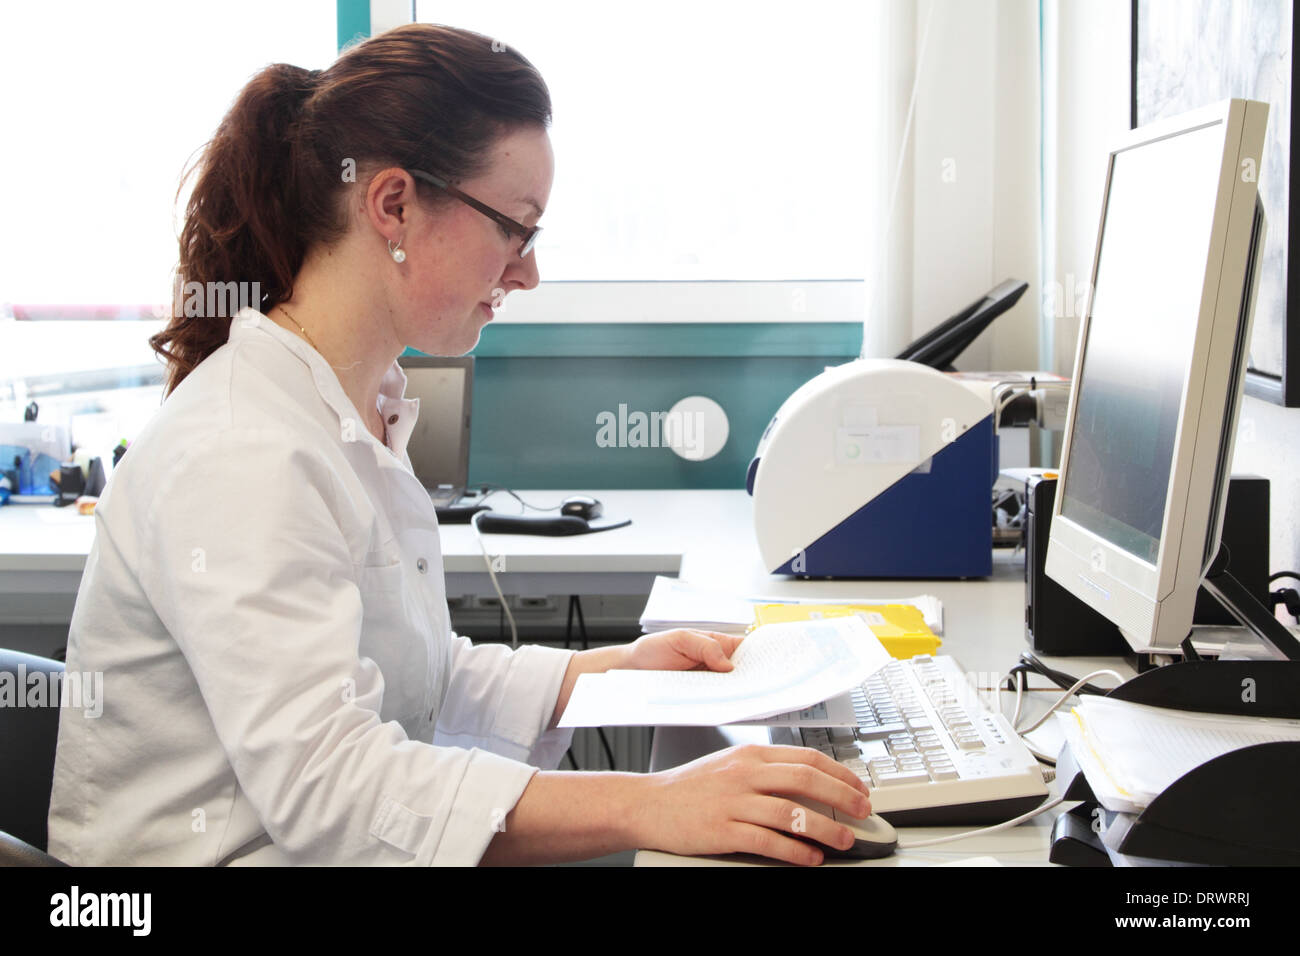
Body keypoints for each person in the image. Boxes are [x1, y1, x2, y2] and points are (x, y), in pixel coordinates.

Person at [47, 22, 870, 866]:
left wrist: (614, 674)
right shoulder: (242, 451)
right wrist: (648, 804)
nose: (527, 272)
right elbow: (332, 788)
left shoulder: (354, 412)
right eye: (516, 227)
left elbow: (423, 682)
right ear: (394, 205)